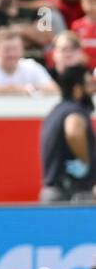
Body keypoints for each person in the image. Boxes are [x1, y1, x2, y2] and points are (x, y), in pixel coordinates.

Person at [39, 64, 96, 201]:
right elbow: (73, 132)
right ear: (77, 90)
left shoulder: (56, 111)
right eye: (88, 85)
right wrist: (84, 161)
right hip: (72, 194)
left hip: (53, 191)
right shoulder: (75, 111)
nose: (93, 89)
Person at [0, 26, 61, 93]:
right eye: (7, 49)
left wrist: (31, 88)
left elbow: (53, 89)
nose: (12, 54)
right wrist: (25, 90)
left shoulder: (31, 66)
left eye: (15, 49)